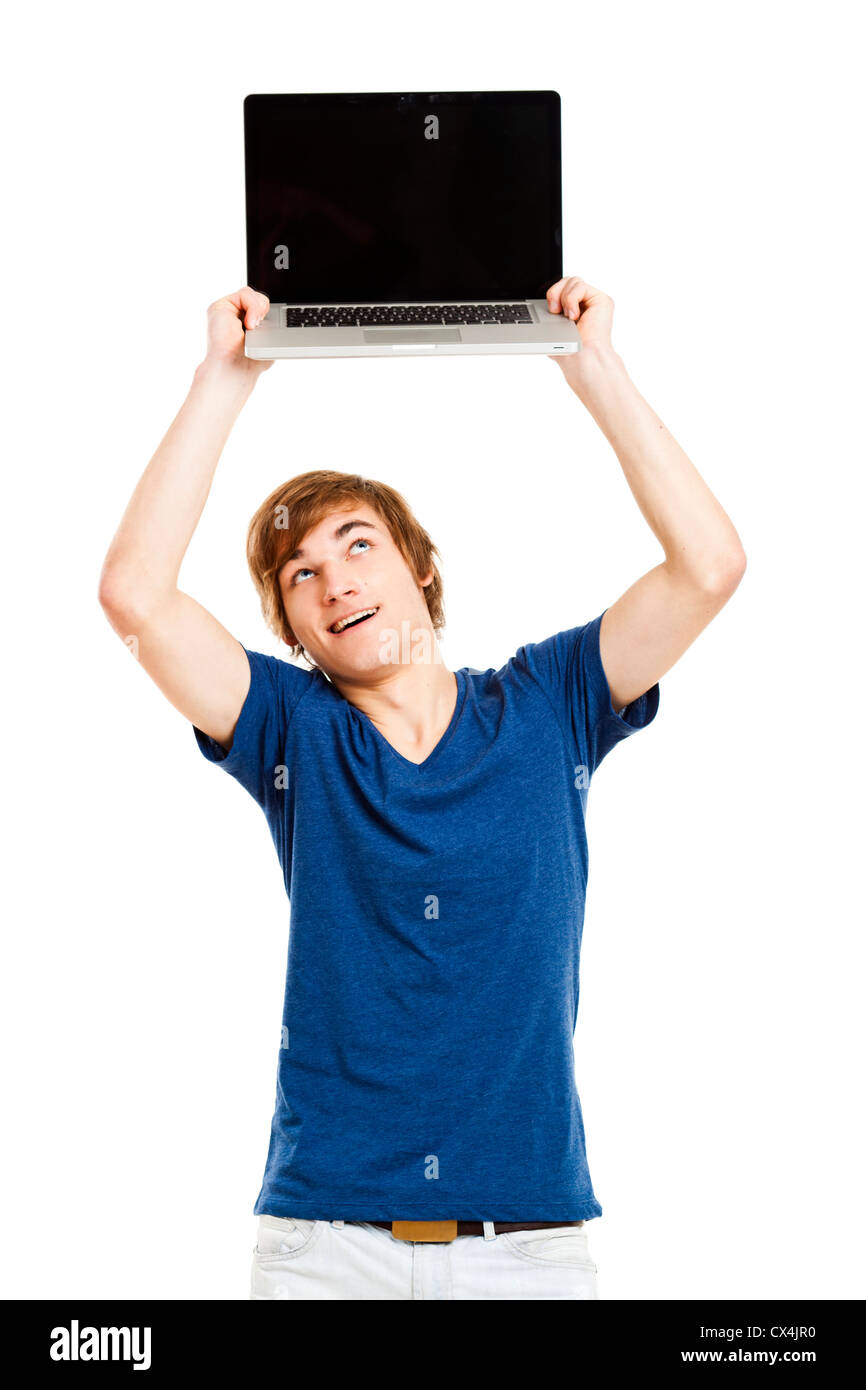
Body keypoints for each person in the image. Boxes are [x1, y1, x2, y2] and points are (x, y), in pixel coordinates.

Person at [98, 277, 746, 1300]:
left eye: (356, 545)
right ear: (292, 630)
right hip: (324, 1245)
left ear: (419, 571)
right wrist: (224, 379)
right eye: (299, 574)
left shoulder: (550, 702)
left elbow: (707, 567)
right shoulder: (292, 731)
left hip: (527, 1245)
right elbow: (135, 595)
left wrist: (592, 370)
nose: (334, 581)